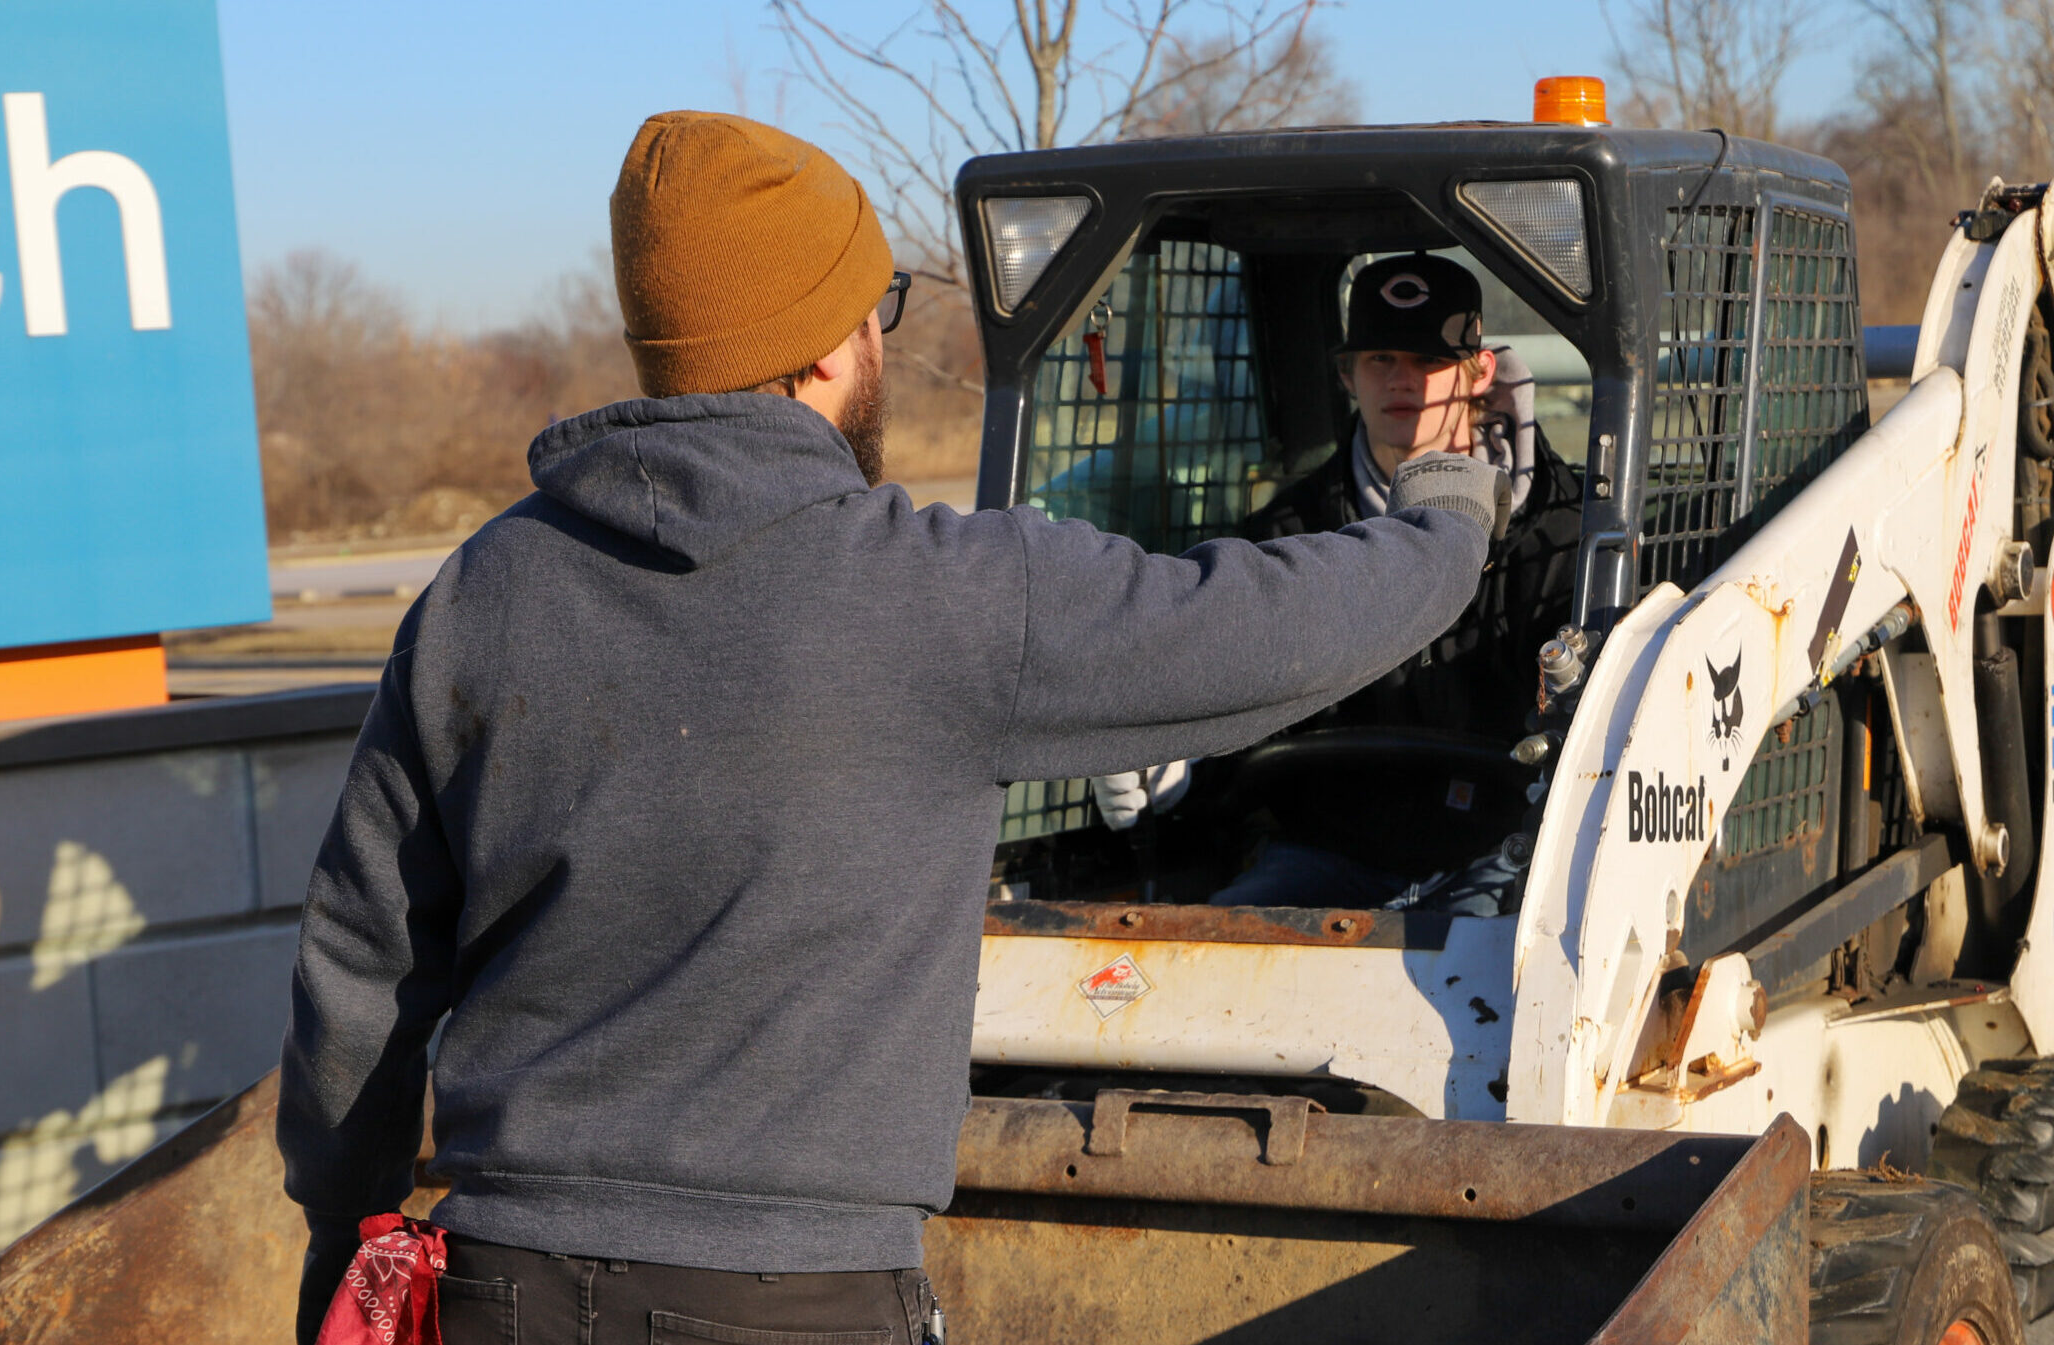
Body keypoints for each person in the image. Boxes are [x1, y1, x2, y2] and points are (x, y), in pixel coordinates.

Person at [277, 113, 1505, 1345]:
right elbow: (1272, 624)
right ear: (825, 342)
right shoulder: (950, 597)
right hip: (792, 1302)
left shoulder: (483, 590)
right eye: (880, 307)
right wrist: (1445, 516)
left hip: (502, 1288)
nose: (880, 337)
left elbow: (362, 962)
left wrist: (345, 1234)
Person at [1093, 253, 1583, 911]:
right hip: (1327, 853)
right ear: (1346, 374)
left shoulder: (1564, 531)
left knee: (1480, 970)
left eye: (1429, 360)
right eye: (1380, 358)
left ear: (1478, 372)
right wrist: (1176, 763)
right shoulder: (1287, 533)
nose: (1402, 380)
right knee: (1215, 947)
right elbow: (1237, 688)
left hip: (1504, 853)